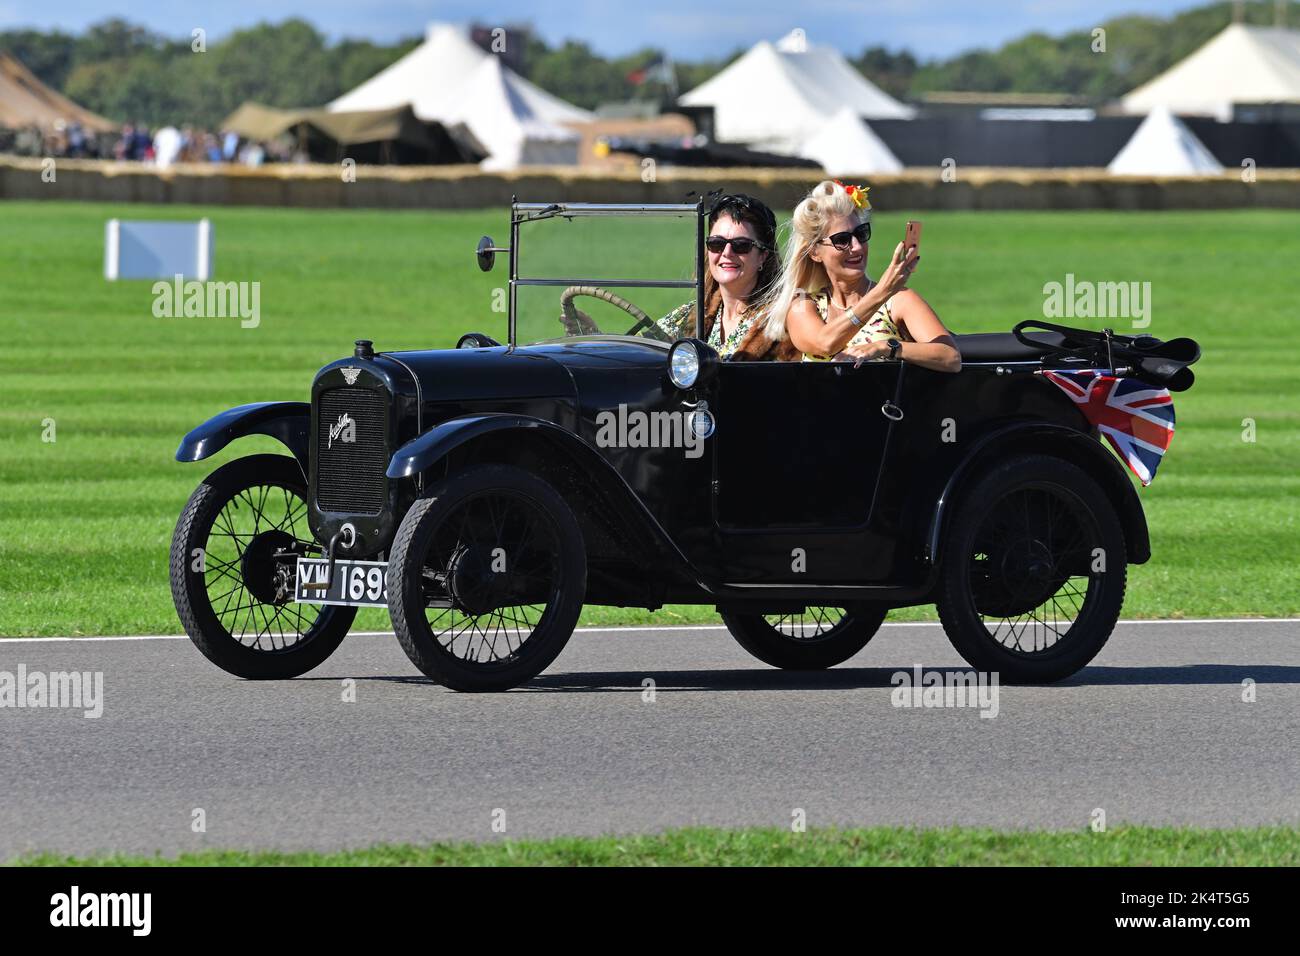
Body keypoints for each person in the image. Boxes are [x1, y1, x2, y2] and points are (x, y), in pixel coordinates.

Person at [765, 179, 960, 371]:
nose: (857, 247)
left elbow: (951, 358)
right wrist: (881, 292)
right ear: (815, 252)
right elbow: (824, 344)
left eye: (860, 233)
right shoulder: (802, 304)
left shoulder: (899, 300)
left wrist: (886, 347)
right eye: (842, 240)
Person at [655, 193, 800, 361]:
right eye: (717, 243)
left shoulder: (785, 318)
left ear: (763, 255)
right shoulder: (689, 316)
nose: (727, 253)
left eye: (741, 245)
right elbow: (640, 350)